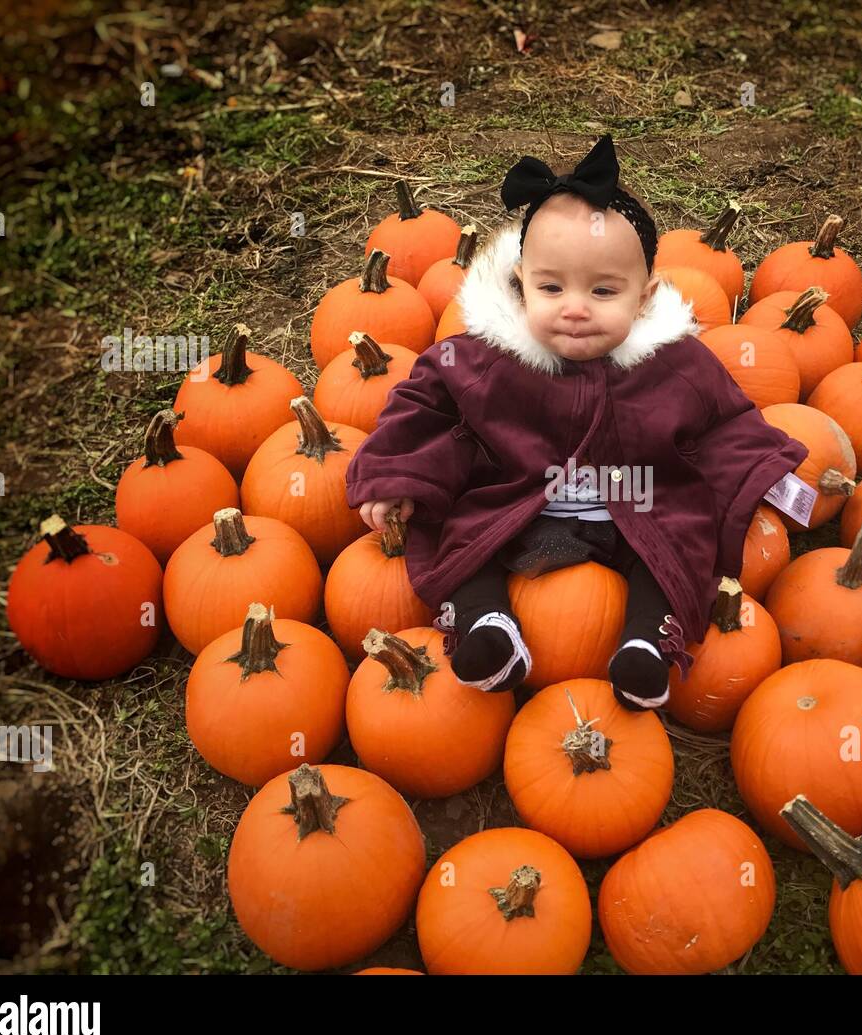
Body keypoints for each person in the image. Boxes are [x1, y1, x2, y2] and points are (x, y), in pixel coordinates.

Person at [345, 134, 807, 710]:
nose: (575, 307)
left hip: (633, 505)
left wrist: (773, 477)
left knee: (676, 548)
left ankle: (646, 641)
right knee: (460, 538)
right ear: (521, 284)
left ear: (644, 298)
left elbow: (724, 421)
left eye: (604, 291)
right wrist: (394, 474)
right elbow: (423, 406)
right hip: (518, 500)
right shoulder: (487, 357)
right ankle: (485, 625)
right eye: (551, 287)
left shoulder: (676, 364)